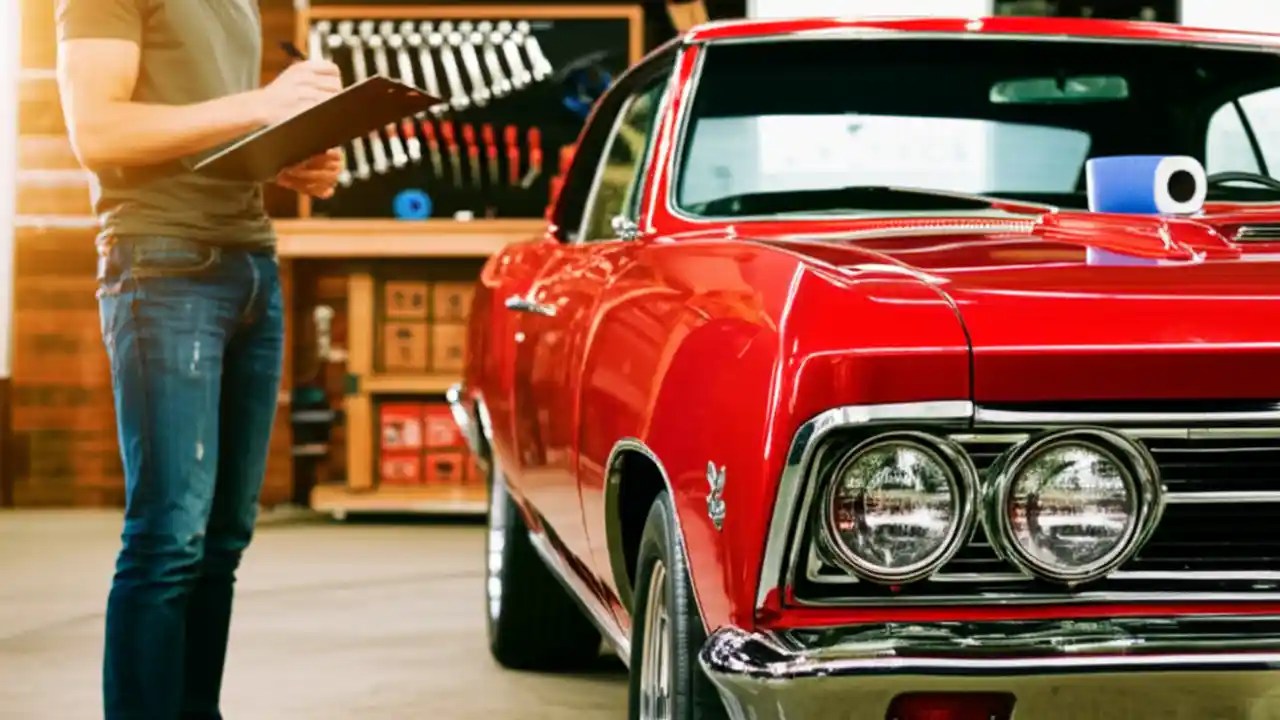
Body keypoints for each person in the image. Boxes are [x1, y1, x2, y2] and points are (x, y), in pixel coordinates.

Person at [54, 1, 344, 717]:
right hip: (163, 262)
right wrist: (262, 105)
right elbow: (97, 130)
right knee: (169, 537)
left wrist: (288, 158)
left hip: (250, 262)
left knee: (221, 539)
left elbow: (203, 135)